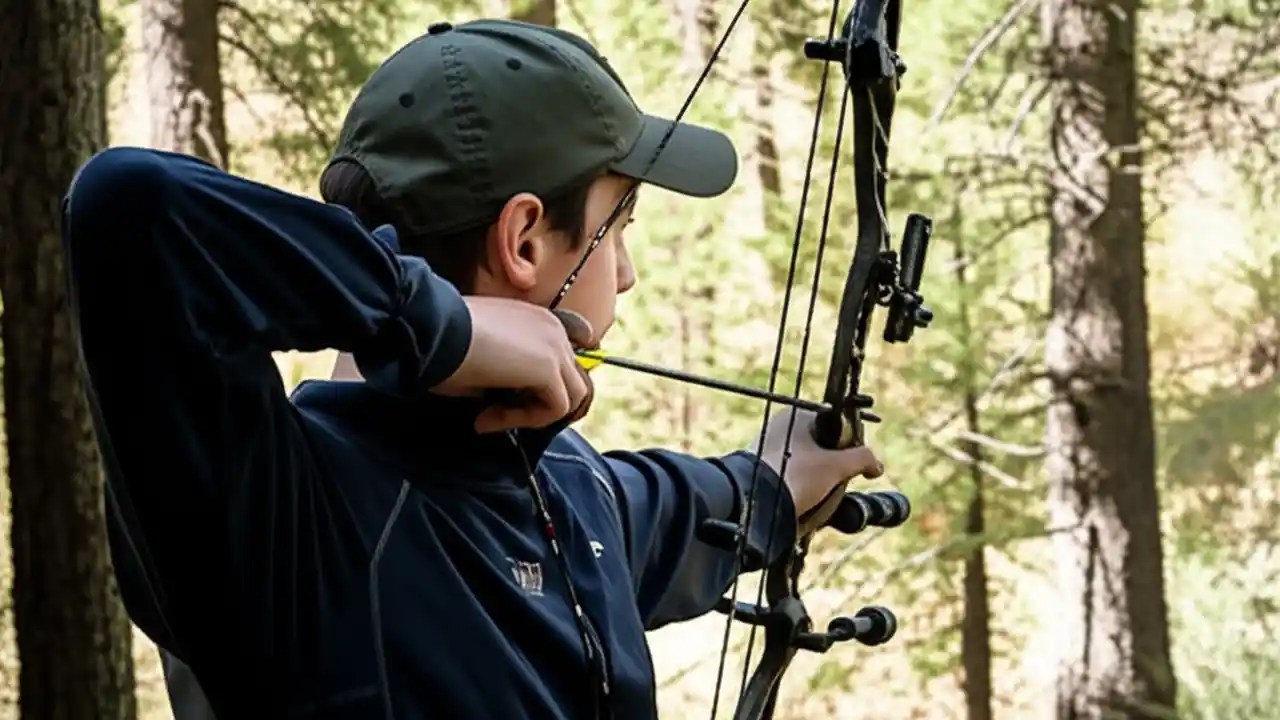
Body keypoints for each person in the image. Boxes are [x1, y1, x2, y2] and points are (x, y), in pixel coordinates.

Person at [62, 18, 886, 720]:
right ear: (524, 241)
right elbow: (130, 207)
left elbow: (682, 513)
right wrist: (437, 325)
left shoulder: (568, 486)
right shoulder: (277, 511)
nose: (628, 274)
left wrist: (772, 484)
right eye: (617, 229)